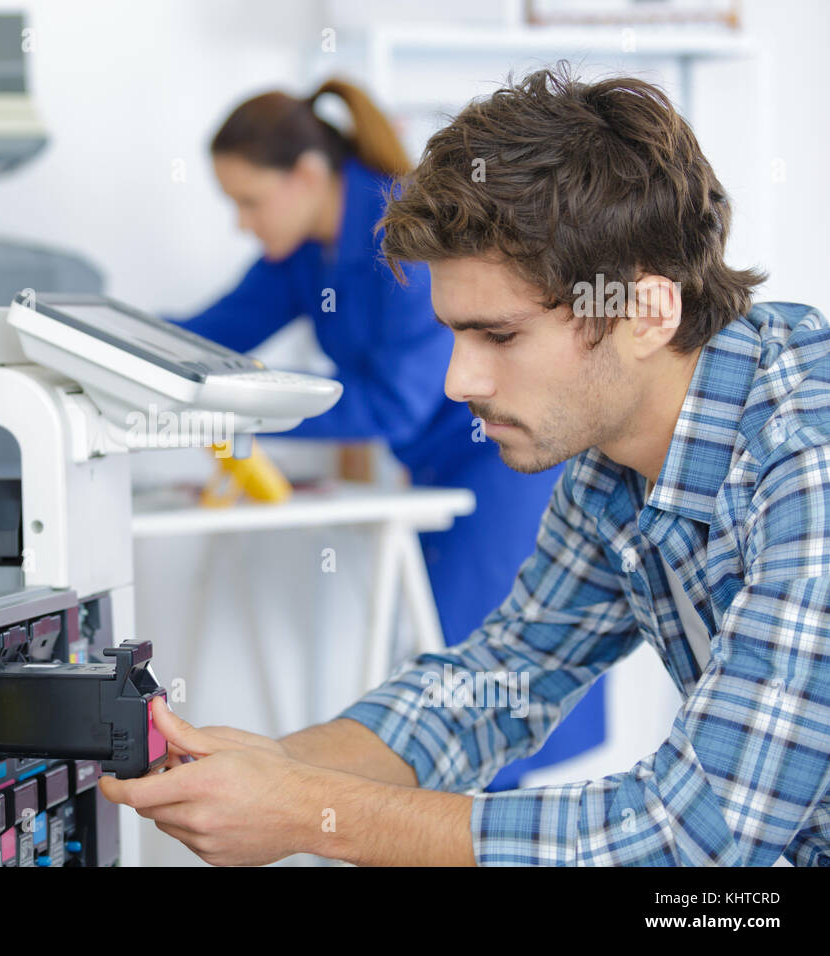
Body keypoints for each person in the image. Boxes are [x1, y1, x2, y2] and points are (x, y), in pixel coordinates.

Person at [102, 63, 830, 867]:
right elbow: (502, 676)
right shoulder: (611, 465)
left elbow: (690, 837)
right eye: (454, 333)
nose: (458, 382)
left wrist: (313, 812)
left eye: (500, 336)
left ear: (647, 313)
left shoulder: (809, 462)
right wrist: (280, 765)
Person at [169, 77, 604, 790]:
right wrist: (107, 339)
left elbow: (397, 406)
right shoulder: (304, 256)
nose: (242, 223)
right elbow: (209, 335)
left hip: (498, 470)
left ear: (308, 175)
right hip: (431, 471)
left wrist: (251, 411)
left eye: (248, 201)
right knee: (449, 674)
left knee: (487, 678)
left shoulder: (399, 234)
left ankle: (478, 834)